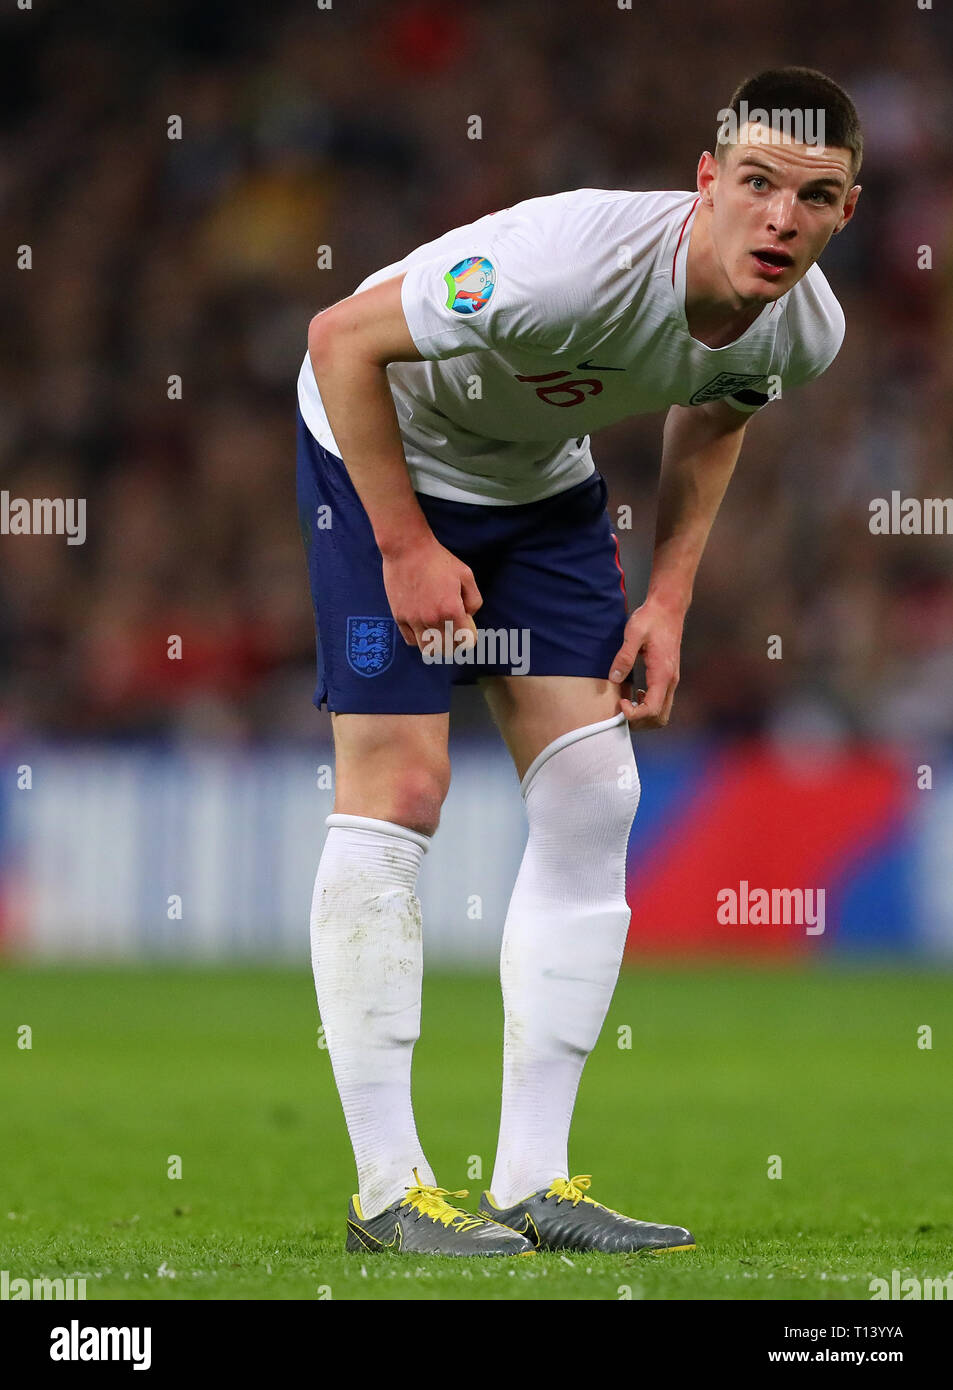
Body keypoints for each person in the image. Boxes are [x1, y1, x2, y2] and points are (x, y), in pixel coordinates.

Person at [295, 66, 862, 1255]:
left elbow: (713, 411)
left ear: (844, 211)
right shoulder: (561, 265)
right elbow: (341, 338)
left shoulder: (803, 327)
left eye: (810, 197)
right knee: (400, 787)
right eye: (754, 185)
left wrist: (665, 596)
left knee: (594, 791)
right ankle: (386, 1192)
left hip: (538, 483)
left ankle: (531, 1182)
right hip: (378, 447)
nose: (777, 218)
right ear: (705, 183)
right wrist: (403, 546)